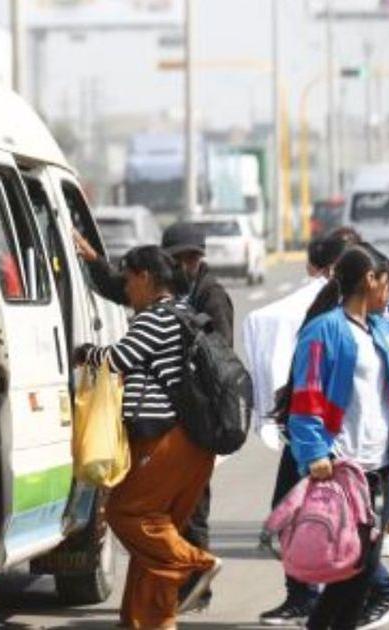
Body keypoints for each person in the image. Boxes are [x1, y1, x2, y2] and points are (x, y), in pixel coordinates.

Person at [279, 244, 389, 630]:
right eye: (387, 282)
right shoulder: (326, 330)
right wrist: (314, 452)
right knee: (350, 571)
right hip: (341, 469)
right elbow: (307, 394)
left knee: (357, 574)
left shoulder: (381, 328)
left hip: (378, 466)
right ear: (370, 279)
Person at [73, 245, 223, 629]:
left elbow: (116, 360)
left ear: (143, 277)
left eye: (127, 280)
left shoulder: (155, 317)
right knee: (153, 537)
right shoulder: (183, 313)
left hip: (167, 439)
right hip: (192, 443)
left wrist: (84, 354)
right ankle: (151, 621)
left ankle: (196, 563)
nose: (126, 289)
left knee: (127, 513)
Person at [248, 230, 360, 625]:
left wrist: (311, 448)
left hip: (323, 439)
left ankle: (336, 597)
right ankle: (313, 597)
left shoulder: (333, 319)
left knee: (320, 519)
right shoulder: (331, 314)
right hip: (324, 437)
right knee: (316, 518)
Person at [161, 221, 233, 611]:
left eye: (190, 258)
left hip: (201, 419)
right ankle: (183, 583)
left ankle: (197, 587)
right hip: (176, 417)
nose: (184, 264)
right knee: (173, 506)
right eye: (177, 258)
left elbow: (221, 358)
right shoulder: (173, 291)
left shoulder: (212, 297)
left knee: (194, 509)